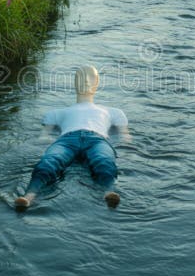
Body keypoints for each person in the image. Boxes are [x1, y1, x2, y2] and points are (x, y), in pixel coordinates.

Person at [15, 65, 130, 210]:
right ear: (74, 82)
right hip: (67, 140)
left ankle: (109, 192)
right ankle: (29, 196)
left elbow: (125, 137)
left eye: (91, 77)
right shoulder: (57, 113)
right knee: (49, 161)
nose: (86, 80)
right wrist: (46, 139)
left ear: (97, 82)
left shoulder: (113, 112)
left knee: (104, 161)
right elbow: (44, 136)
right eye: (81, 77)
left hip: (97, 139)